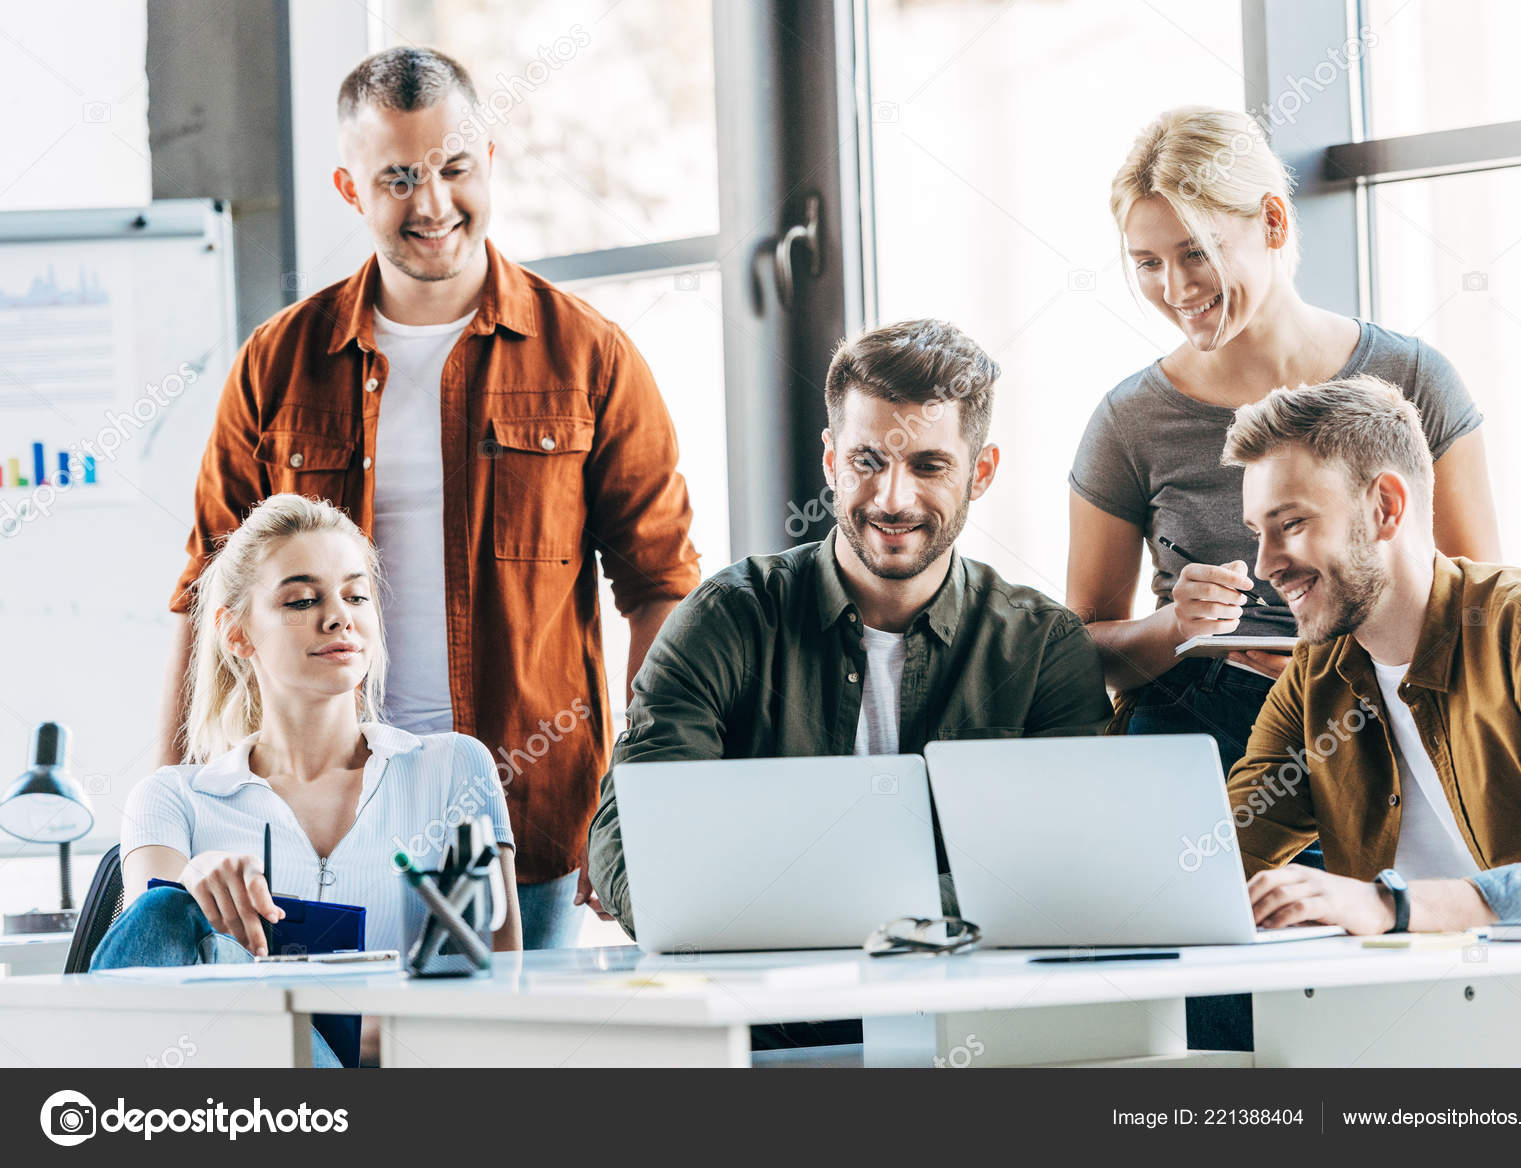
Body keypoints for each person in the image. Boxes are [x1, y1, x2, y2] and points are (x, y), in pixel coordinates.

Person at [156, 47, 699, 949]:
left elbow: (662, 587)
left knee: (495, 1066)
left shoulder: (590, 357)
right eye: (398, 177)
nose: (433, 204)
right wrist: (169, 807)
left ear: (488, 160)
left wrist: (638, 804)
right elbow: (204, 589)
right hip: (301, 818)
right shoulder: (277, 363)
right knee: (314, 1070)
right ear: (349, 186)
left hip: (527, 820)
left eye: (452, 168)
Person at [586, 319, 1113, 943]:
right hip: (764, 1015)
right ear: (832, 459)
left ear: (982, 471)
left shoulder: (1042, 647)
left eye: (929, 465)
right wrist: (911, 902)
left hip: (964, 1015)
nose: (893, 499)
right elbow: (635, 839)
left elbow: (1068, 865)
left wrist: (787, 897)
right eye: (868, 461)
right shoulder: (724, 620)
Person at [1067, 106, 1500, 777]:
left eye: (1197, 253)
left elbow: (1480, 613)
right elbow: (1082, 652)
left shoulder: (1414, 379)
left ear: (1272, 221)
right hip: (1196, 730)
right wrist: (1176, 628)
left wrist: (1337, 659)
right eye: (1147, 263)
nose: (1176, 289)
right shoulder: (1130, 420)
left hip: (1382, 714)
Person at [94, 494, 520, 1067]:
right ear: (238, 634)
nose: (339, 616)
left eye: (356, 595)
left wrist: (342, 1039)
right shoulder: (172, 798)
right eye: (301, 599)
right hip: (233, 1095)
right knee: (165, 909)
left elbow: (504, 989)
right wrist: (190, 884)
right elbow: (146, 978)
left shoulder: (454, 768)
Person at [1224, 375, 1521, 934]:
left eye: (1292, 524)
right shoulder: (1315, 673)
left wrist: (1387, 905)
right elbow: (1224, 854)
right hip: (1404, 1002)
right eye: (1259, 532)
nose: (1265, 564)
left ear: (1386, 507)